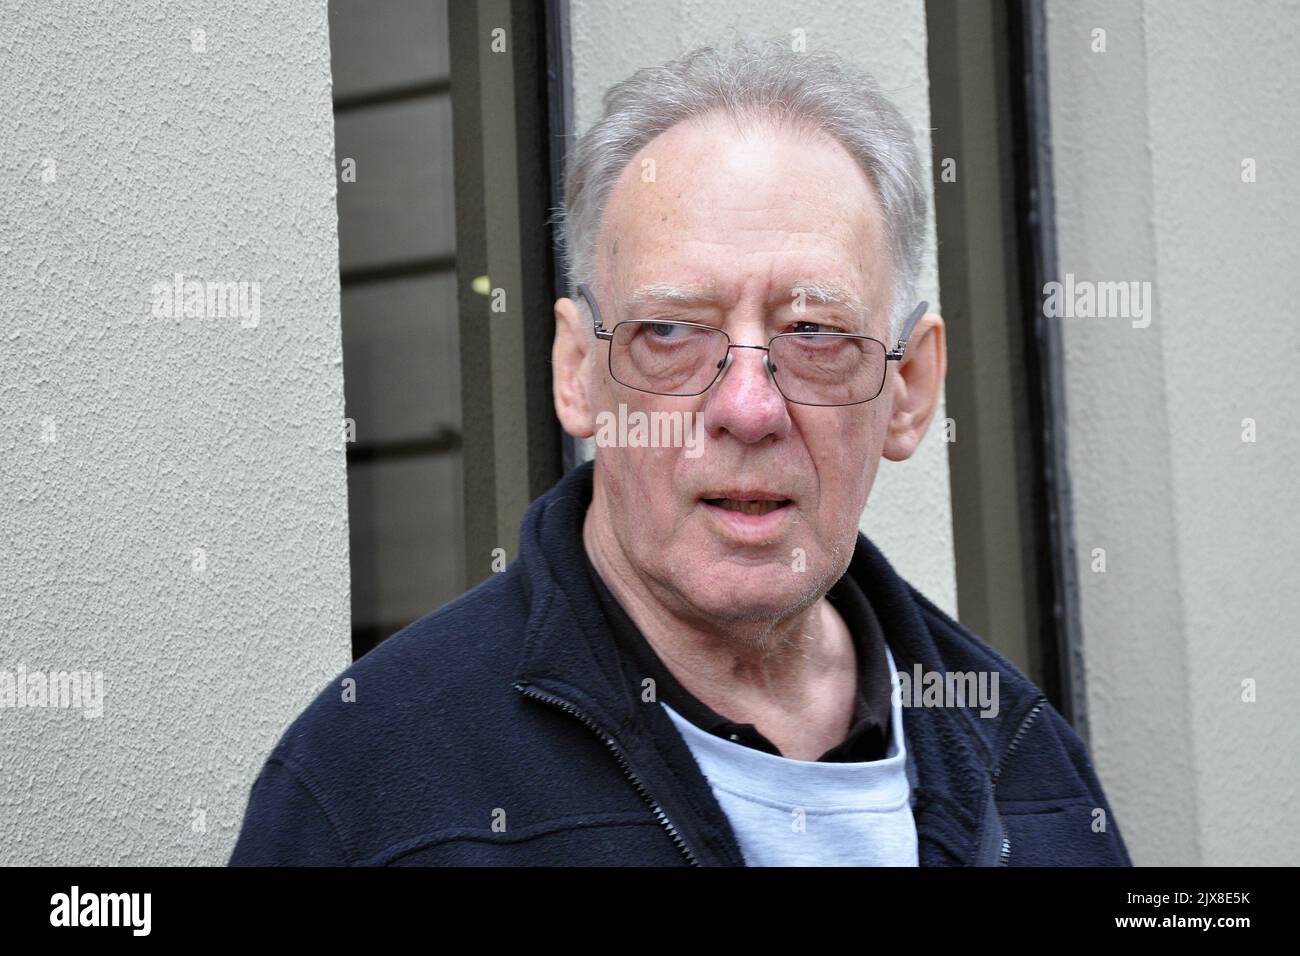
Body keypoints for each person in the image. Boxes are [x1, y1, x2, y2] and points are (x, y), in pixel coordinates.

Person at [229, 39, 1131, 867]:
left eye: (813, 331)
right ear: (579, 373)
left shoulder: (1029, 766)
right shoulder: (372, 789)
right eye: (670, 330)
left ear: (912, 388)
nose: (747, 407)